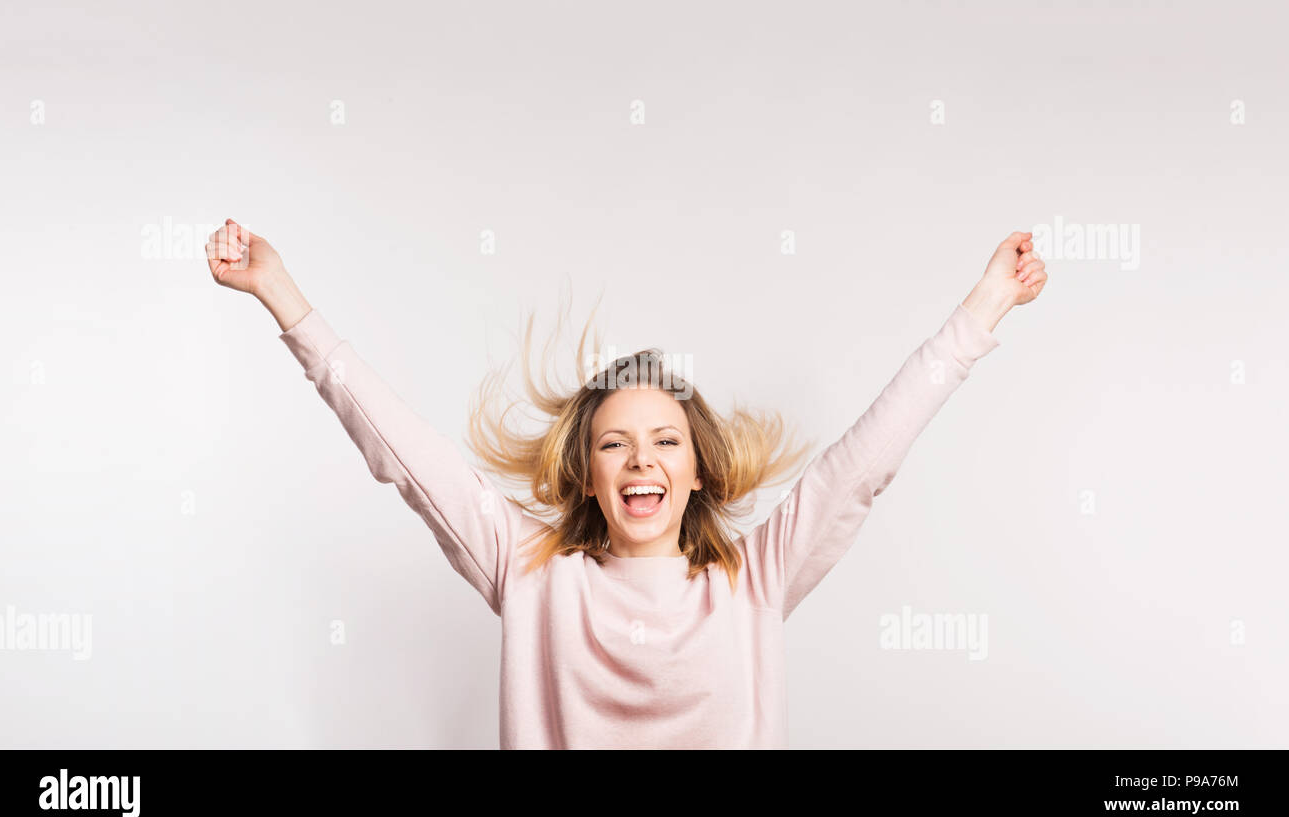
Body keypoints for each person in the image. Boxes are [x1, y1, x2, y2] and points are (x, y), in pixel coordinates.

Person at [205, 220, 1047, 748]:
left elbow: (865, 462)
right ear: (588, 471)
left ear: (696, 469)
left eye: (664, 441)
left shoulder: (755, 579)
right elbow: (402, 454)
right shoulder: (530, 572)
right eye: (615, 443)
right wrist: (281, 295)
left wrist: (981, 310)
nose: (641, 459)